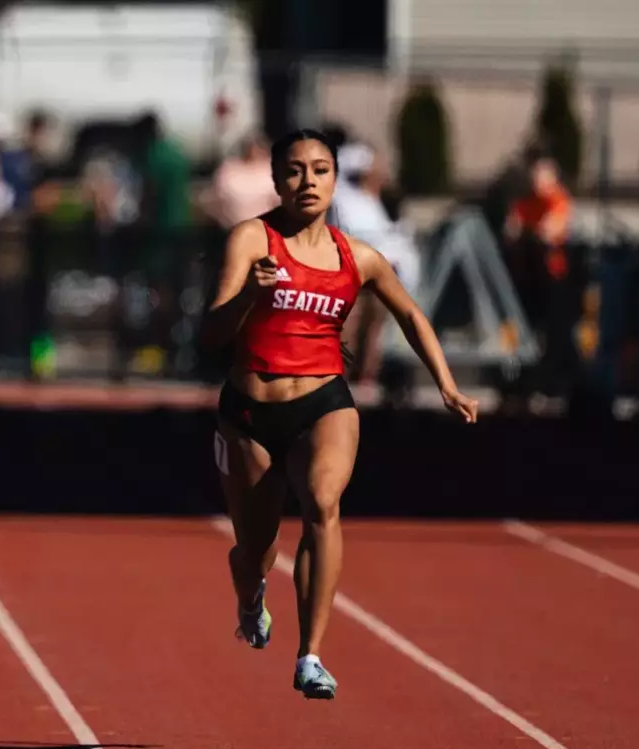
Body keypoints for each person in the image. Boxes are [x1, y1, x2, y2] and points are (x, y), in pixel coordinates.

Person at [200, 128, 477, 700]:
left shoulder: (360, 257)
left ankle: (311, 656)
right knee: (255, 548)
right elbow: (212, 333)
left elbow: (410, 315)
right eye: (296, 171)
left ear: (335, 180)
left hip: (324, 401)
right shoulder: (252, 241)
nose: (308, 182)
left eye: (320, 170)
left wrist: (446, 385)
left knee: (324, 503)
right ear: (276, 181)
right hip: (250, 411)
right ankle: (251, 596)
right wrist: (251, 294)